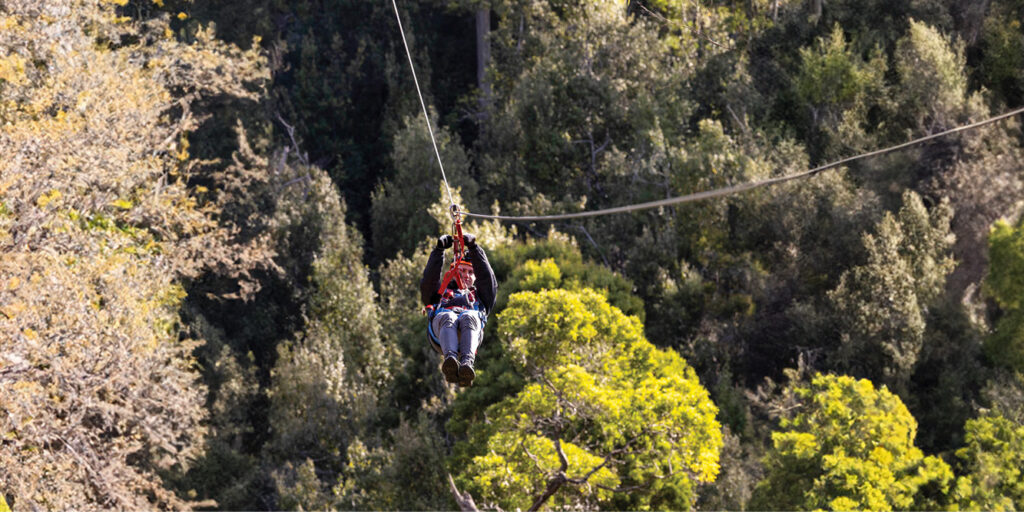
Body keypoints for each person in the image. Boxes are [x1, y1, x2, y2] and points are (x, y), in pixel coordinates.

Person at [420, 233, 497, 387]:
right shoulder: (441, 293)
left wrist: (474, 248)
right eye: (462, 271)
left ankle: (467, 363)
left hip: (470, 331)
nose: (466, 276)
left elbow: (487, 279)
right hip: (442, 332)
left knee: (469, 315)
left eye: (470, 272)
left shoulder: (480, 297)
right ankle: (451, 361)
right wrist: (439, 251)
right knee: (448, 316)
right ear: (454, 271)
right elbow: (428, 282)